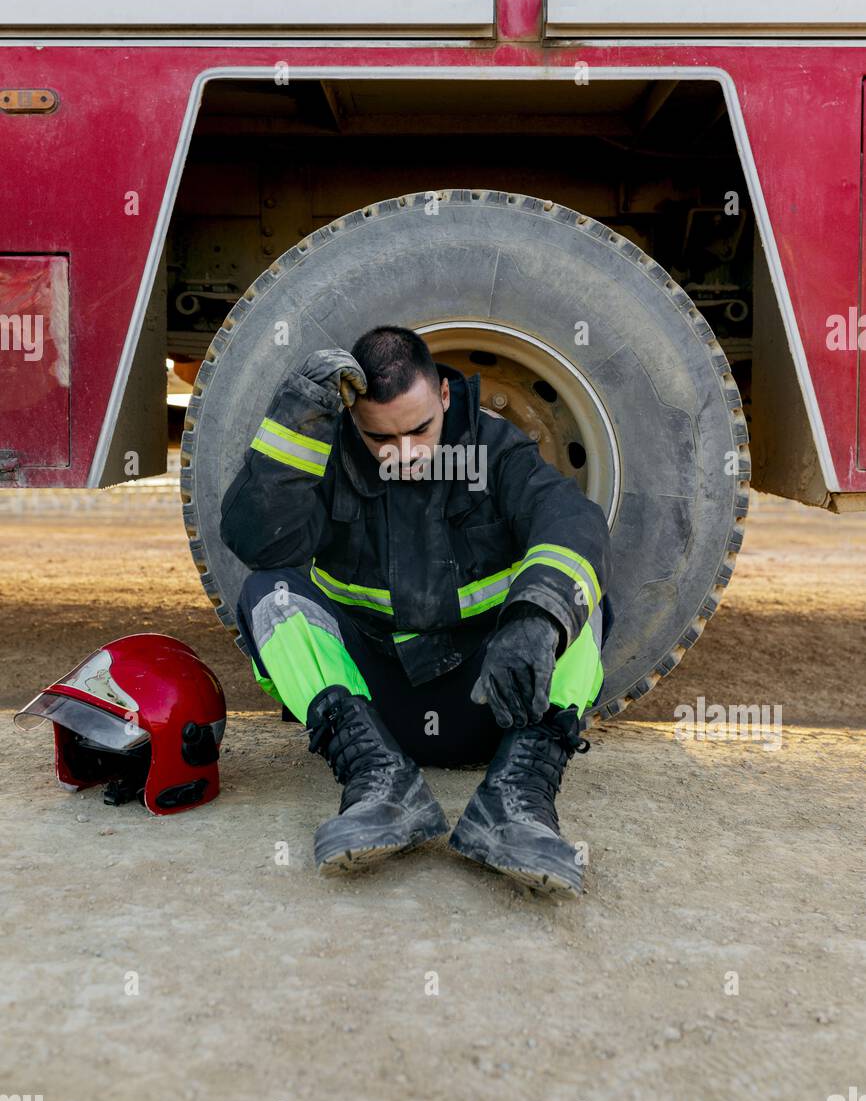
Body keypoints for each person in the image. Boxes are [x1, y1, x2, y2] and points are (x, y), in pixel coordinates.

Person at [220, 326, 612, 897]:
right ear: (354, 419)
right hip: (371, 721)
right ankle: (382, 789)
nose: (403, 455)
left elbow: (572, 522)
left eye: (419, 430)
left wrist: (534, 619)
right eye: (381, 438)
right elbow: (260, 543)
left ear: (445, 397)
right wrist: (296, 419)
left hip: (497, 708)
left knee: (577, 597)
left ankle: (516, 801)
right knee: (269, 594)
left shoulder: (497, 451)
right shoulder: (326, 456)